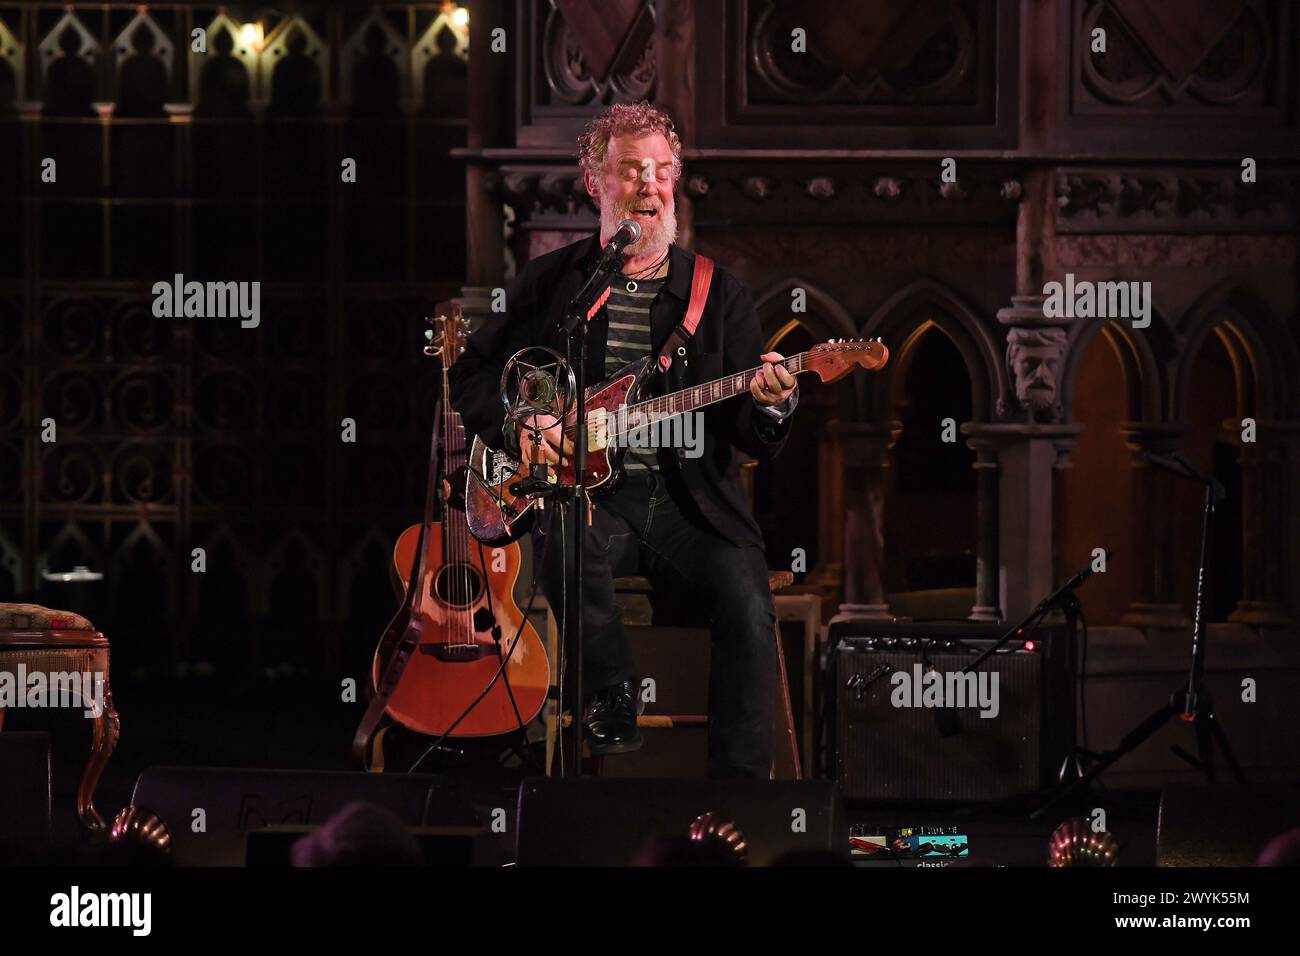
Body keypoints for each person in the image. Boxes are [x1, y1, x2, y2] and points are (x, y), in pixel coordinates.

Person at [449, 102, 798, 778]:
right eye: (633, 171)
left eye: (663, 173)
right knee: (564, 536)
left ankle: (742, 793)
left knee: (748, 602)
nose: (650, 186)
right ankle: (611, 699)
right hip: (589, 502)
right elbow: (473, 370)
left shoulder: (716, 294)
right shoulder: (556, 285)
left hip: (689, 503)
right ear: (593, 181)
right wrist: (524, 420)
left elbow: (753, 437)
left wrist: (776, 404)